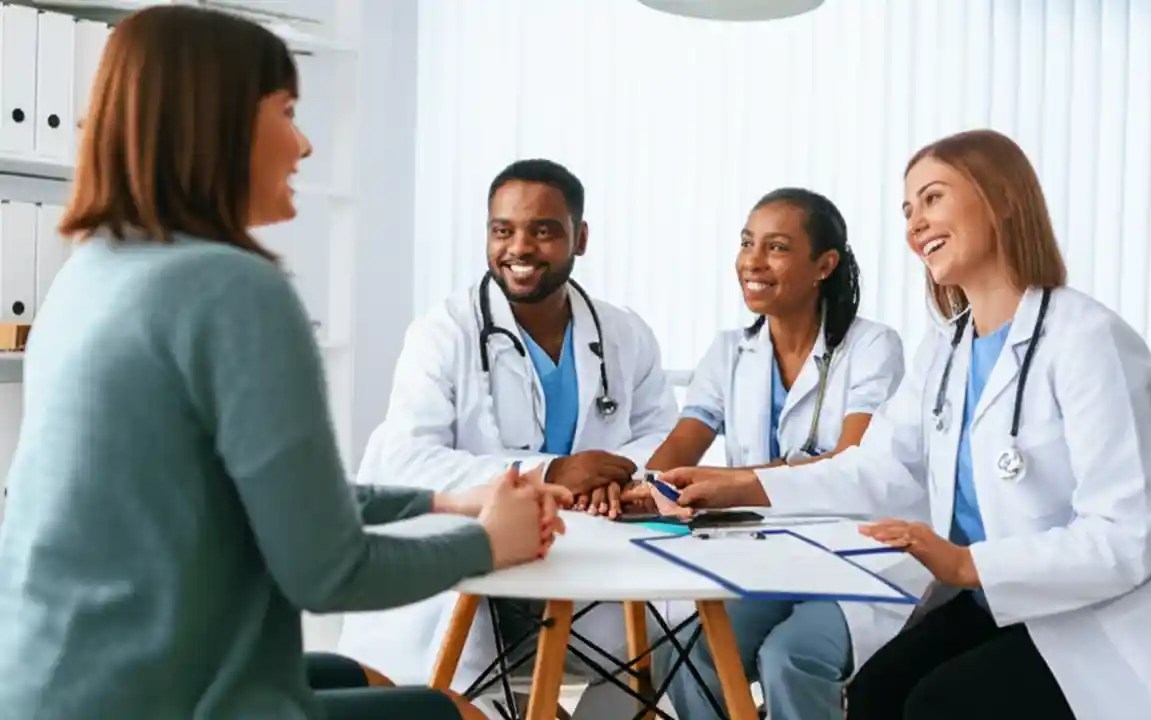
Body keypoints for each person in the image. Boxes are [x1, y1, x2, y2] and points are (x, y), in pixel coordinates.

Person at [0, 8, 568, 720]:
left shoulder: (93, 272)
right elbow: (328, 572)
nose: (302, 146)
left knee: (367, 676)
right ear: (220, 124)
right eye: (288, 112)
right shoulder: (234, 290)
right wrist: (486, 542)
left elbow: (274, 496)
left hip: (52, 685)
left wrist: (442, 502)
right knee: (466, 711)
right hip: (159, 700)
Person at [659, 130, 1151, 718]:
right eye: (907, 209)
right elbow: (881, 465)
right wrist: (744, 486)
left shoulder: (1089, 340)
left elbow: (1124, 539)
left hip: (1112, 625)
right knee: (877, 692)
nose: (914, 223)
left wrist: (966, 566)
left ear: (1003, 199)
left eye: (932, 198)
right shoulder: (949, 348)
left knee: (940, 707)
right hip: (1002, 603)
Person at [335, 159, 678, 715]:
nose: (520, 247)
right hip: (478, 560)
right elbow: (404, 459)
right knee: (465, 695)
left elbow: (660, 434)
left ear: (580, 238)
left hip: (588, 552)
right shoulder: (443, 333)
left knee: (658, 656)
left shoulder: (623, 333)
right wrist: (553, 472)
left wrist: (616, 476)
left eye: (543, 230)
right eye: (503, 230)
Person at [630, 188, 923, 720]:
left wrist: (731, 481)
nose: (753, 261)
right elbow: (681, 445)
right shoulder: (729, 353)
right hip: (770, 558)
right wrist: (637, 482)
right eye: (747, 243)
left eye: (777, 247)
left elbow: (850, 459)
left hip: (854, 558)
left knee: (789, 658)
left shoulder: (873, 348)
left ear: (824, 265)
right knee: (687, 656)